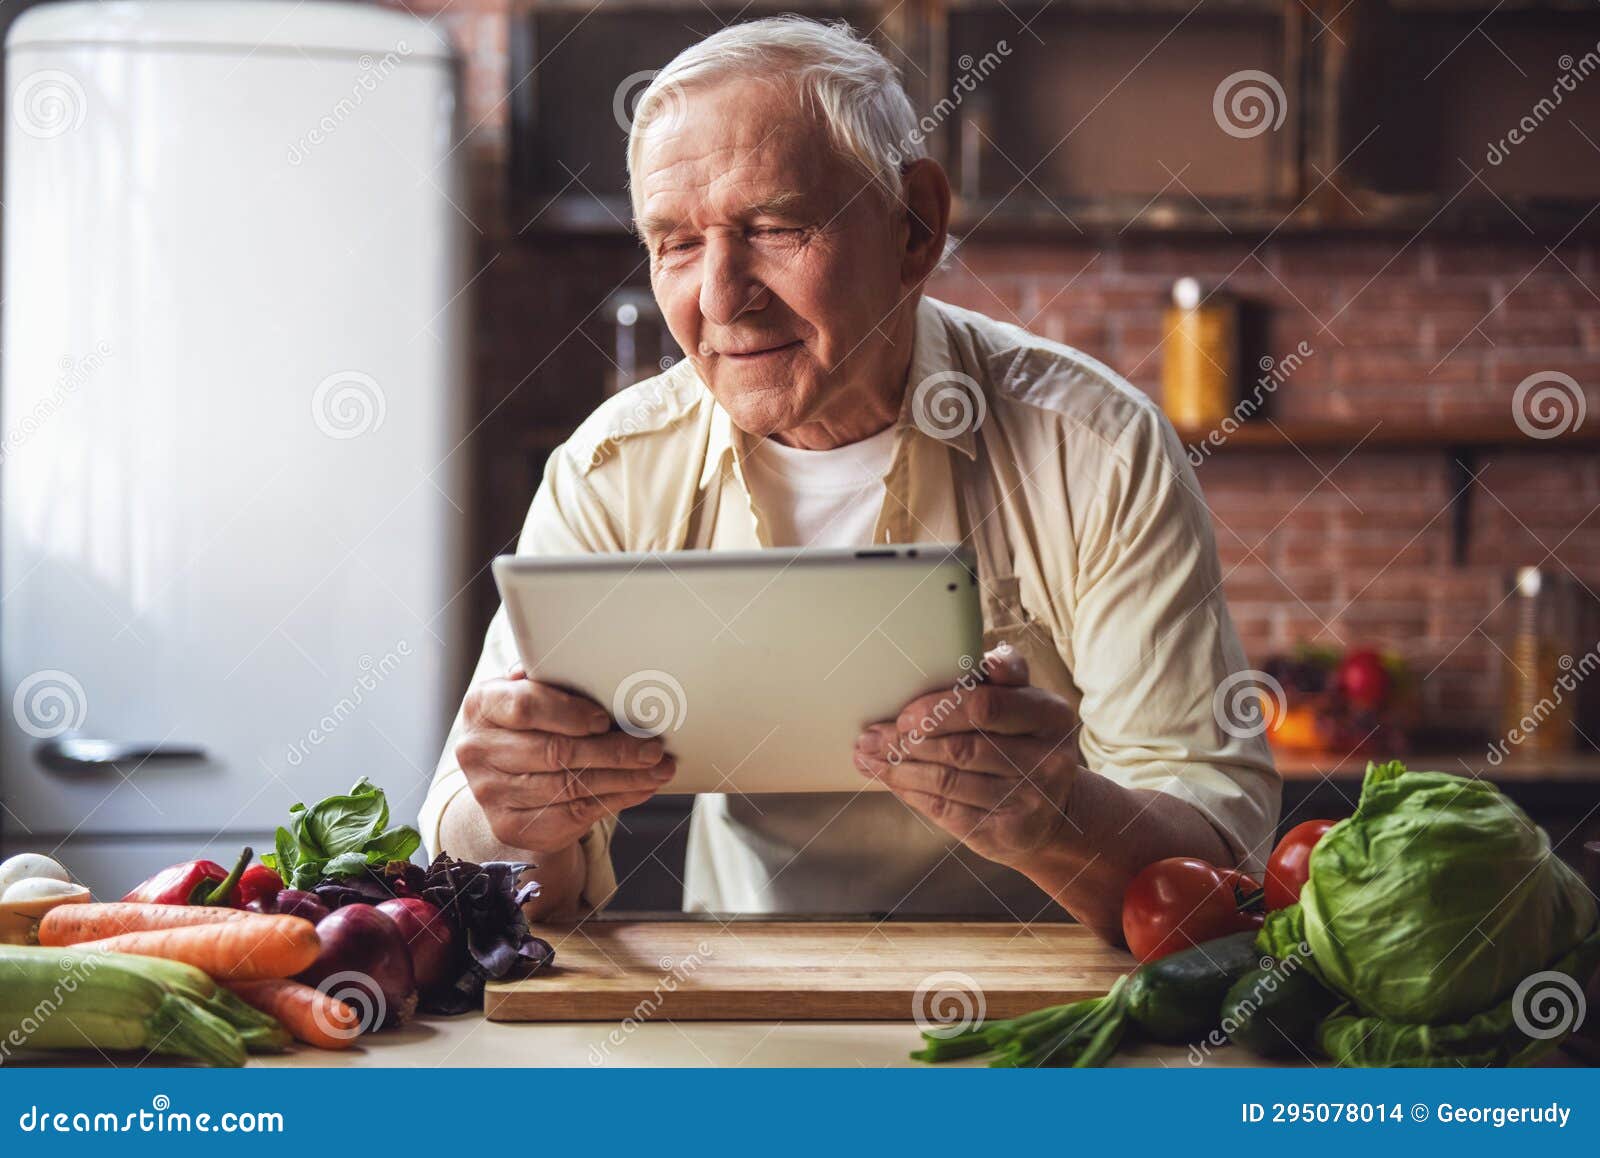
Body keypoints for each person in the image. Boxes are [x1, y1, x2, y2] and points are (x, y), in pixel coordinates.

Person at [419, 17, 1279, 943]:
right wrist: (516, 820)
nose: (719, 297)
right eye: (675, 244)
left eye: (776, 226)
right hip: (743, 1010)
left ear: (915, 227)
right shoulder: (611, 471)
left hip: (1052, 1017)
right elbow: (489, 869)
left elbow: (1221, 857)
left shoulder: (1097, 448)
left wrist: (1059, 819)